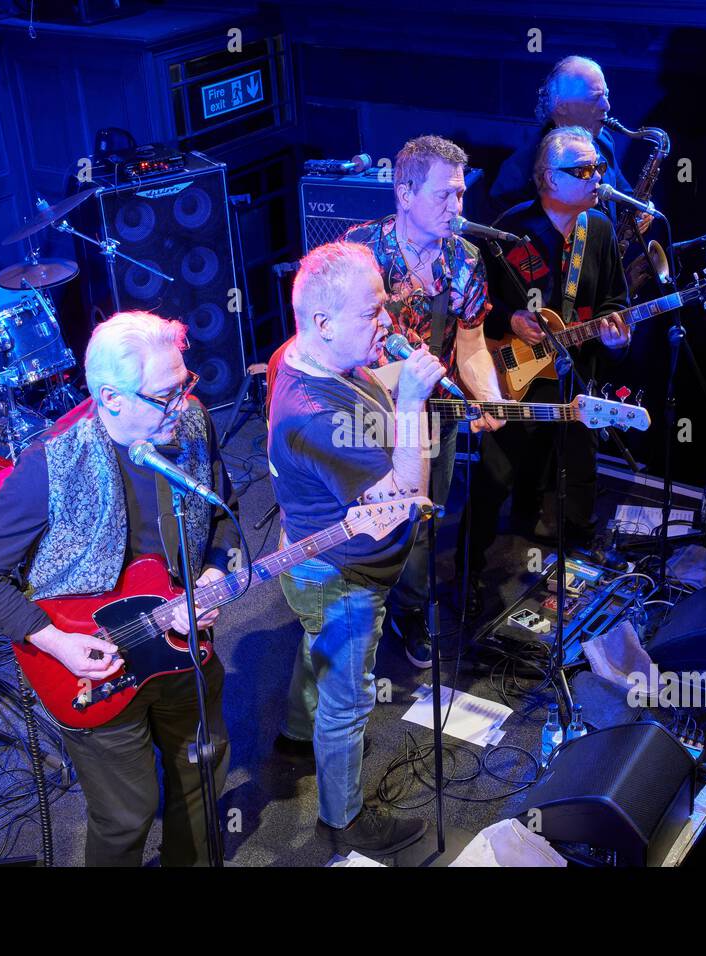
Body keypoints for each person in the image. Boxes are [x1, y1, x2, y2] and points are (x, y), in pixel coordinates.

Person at [0, 311, 236, 866]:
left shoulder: (193, 423)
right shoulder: (50, 464)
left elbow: (224, 514)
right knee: (127, 814)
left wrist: (215, 571)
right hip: (91, 663)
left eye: (184, 385)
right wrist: (53, 640)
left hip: (182, 644)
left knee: (202, 772)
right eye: (163, 395)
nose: (181, 404)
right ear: (111, 396)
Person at [268, 241, 445, 855]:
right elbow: (406, 499)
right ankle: (340, 822)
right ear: (322, 323)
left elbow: (371, 402)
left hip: (310, 560)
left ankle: (294, 734)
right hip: (341, 575)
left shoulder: (301, 356)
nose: (387, 323)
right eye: (372, 313)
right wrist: (417, 403)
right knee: (348, 702)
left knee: (316, 644)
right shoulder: (313, 413)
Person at [342, 135, 504, 669]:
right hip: (366, 408)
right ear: (405, 193)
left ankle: (410, 610)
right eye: (445, 196)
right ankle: (359, 602)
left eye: (461, 196)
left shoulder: (466, 259)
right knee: (366, 510)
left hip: (433, 412)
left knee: (421, 517)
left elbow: (473, 344)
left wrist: (491, 397)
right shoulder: (359, 251)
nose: (457, 208)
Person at [461, 126, 631, 613]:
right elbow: (477, 310)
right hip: (515, 378)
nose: (596, 176)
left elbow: (616, 300)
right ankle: (469, 574)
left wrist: (618, 333)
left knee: (580, 475)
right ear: (546, 180)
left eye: (596, 167)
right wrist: (509, 318)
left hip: (574, 379)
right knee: (495, 478)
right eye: (581, 170)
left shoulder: (597, 228)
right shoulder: (510, 231)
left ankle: (574, 572)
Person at [489, 56, 636, 221]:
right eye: (595, 97)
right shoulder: (520, 169)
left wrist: (639, 210)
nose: (606, 106)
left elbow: (624, 194)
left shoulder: (604, 140)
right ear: (561, 105)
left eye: (606, 95)